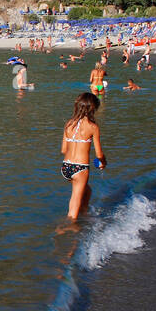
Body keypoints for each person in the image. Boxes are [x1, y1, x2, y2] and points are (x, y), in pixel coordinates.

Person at [61, 92, 106, 221]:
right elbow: (99, 154)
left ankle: (84, 215)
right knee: (73, 210)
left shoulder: (68, 124)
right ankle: (68, 230)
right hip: (80, 168)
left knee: (87, 191)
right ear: (93, 109)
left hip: (66, 167)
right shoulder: (93, 127)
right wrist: (103, 162)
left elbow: (64, 149)